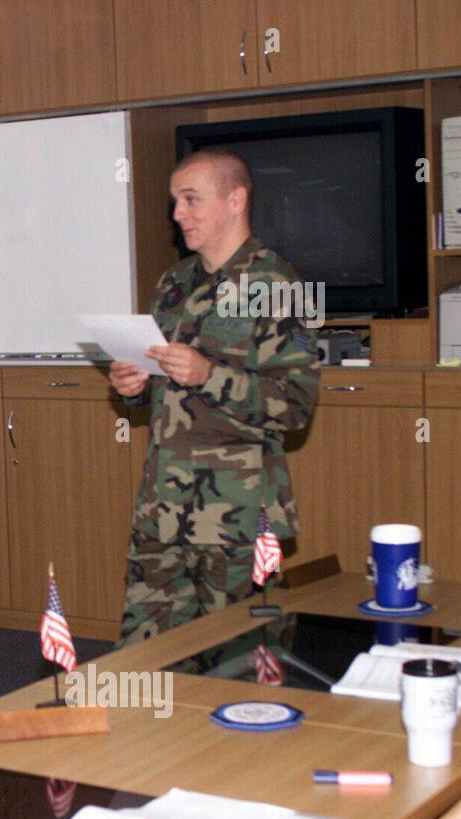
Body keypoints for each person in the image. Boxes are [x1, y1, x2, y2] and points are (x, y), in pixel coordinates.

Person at [109, 148, 320, 644]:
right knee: (145, 658)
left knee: (239, 661)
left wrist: (209, 375)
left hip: (237, 519)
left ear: (235, 199)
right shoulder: (173, 284)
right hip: (161, 510)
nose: (178, 213)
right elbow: (160, 391)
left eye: (190, 199)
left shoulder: (280, 286)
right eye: (175, 201)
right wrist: (132, 387)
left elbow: (296, 406)